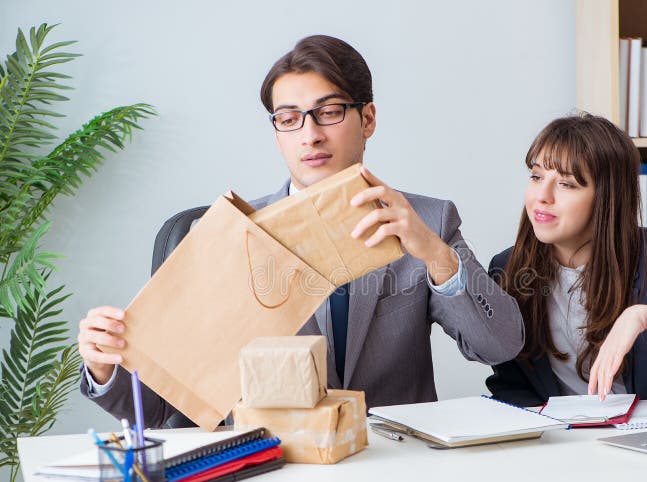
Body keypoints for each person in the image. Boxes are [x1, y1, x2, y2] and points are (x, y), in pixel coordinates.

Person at [77, 35, 524, 427]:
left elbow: (501, 346)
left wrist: (435, 254)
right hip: (272, 469)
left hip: (391, 468)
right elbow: (154, 411)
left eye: (327, 112)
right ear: (277, 133)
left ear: (367, 119)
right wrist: (104, 366)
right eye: (289, 119)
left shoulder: (427, 221)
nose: (309, 135)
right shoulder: (231, 233)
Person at [486, 113, 647, 407]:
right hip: (560, 440)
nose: (542, 196)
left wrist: (646, 316)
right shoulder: (509, 268)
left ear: (607, 197)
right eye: (536, 176)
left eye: (566, 184)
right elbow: (511, 383)